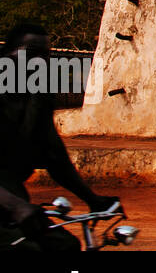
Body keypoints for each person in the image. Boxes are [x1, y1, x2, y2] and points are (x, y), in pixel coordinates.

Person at [0, 23, 119, 251]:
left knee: (66, 246)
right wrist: (16, 207)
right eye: (32, 54)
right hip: (9, 203)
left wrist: (91, 198)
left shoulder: (37, 98)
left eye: (46, 55)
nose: (40, 62)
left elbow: (53, 154)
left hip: (12, 200)